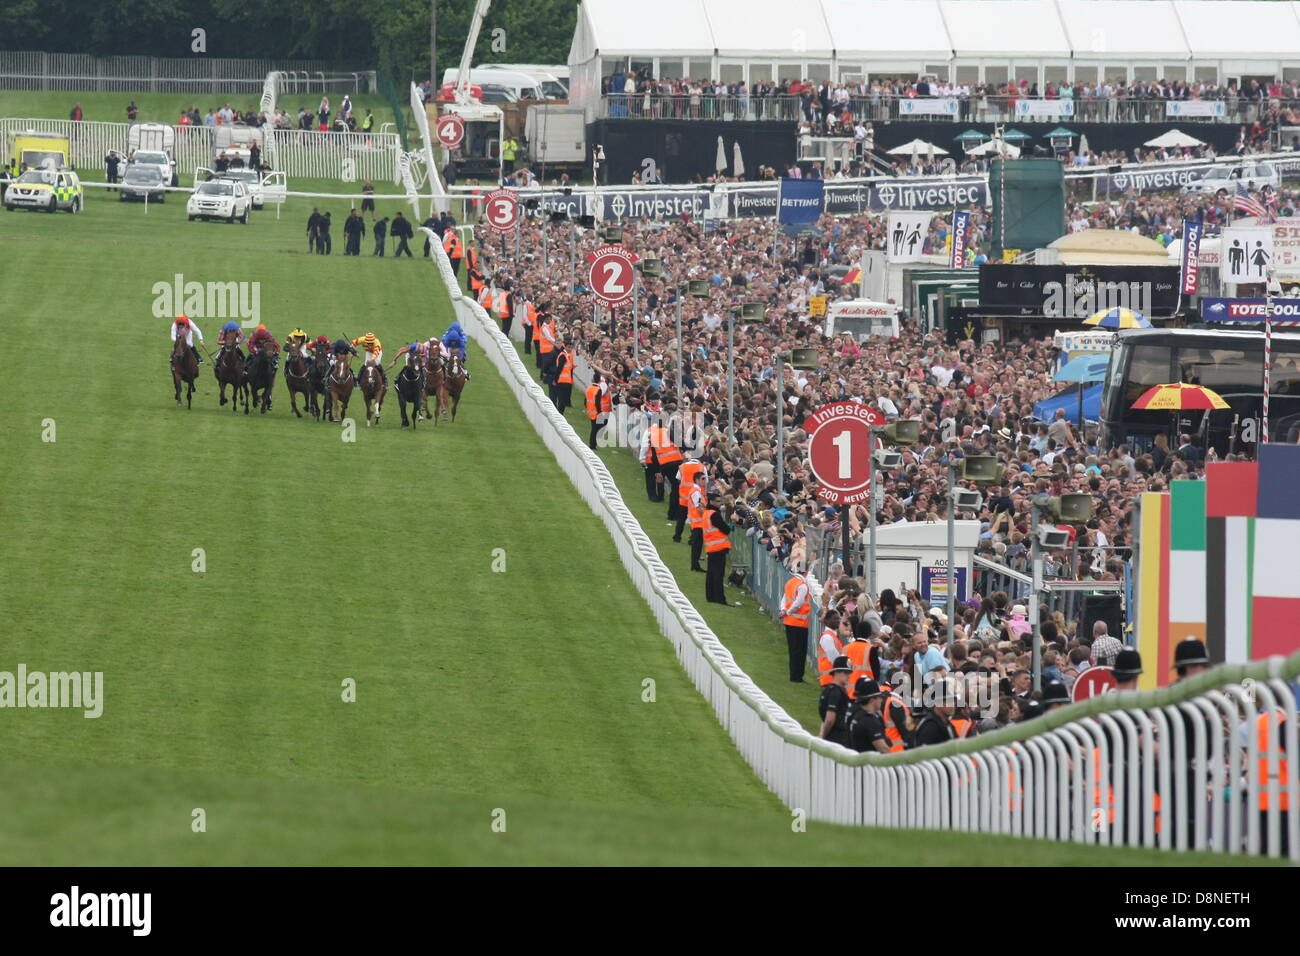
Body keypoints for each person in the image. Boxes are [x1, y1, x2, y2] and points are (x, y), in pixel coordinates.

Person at [701, 493, 738, 606]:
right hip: (718, 548)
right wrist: (733, 522)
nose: (720, 503)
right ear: (711, 502)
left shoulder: (706, 513)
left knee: (712, 574)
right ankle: (720, 599)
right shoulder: (714, 514)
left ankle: (711, 597)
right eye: (718, 501)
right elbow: (726, 529)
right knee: (718, 574)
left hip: (711, 547)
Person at [780, 571, 811, 683]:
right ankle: (797, 676)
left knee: (793, 649)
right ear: (806, 572)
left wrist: (783, 610)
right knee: (799, 651)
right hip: (799, 622)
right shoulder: (802, 585)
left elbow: (784, 598)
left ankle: (794, 675)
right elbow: (799, 603)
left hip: (789, 621)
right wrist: (787, 612)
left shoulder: (790, 582)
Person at [818, 657, 854, 747]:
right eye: (846, 673)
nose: (849, 676)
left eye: (849, 673)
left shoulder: (830, 689)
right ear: (837, 672)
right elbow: (829, 719)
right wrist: (823, 736)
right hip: (838, 740)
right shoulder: (836, 692)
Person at [849, 678, 891, 753]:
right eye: (879, 697)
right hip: (872, 763)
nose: (881, 700)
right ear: (872, 700)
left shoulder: (857, 715)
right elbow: (883, 749)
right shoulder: (869, 721)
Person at [815, 610, 845, 686]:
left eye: (838, 619)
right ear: (827, 621)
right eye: (835, 619)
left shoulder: (832, 635)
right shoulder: (827, 637)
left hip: (832, 677)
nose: (838, 621)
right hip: (830, 678)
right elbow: (834, 658)